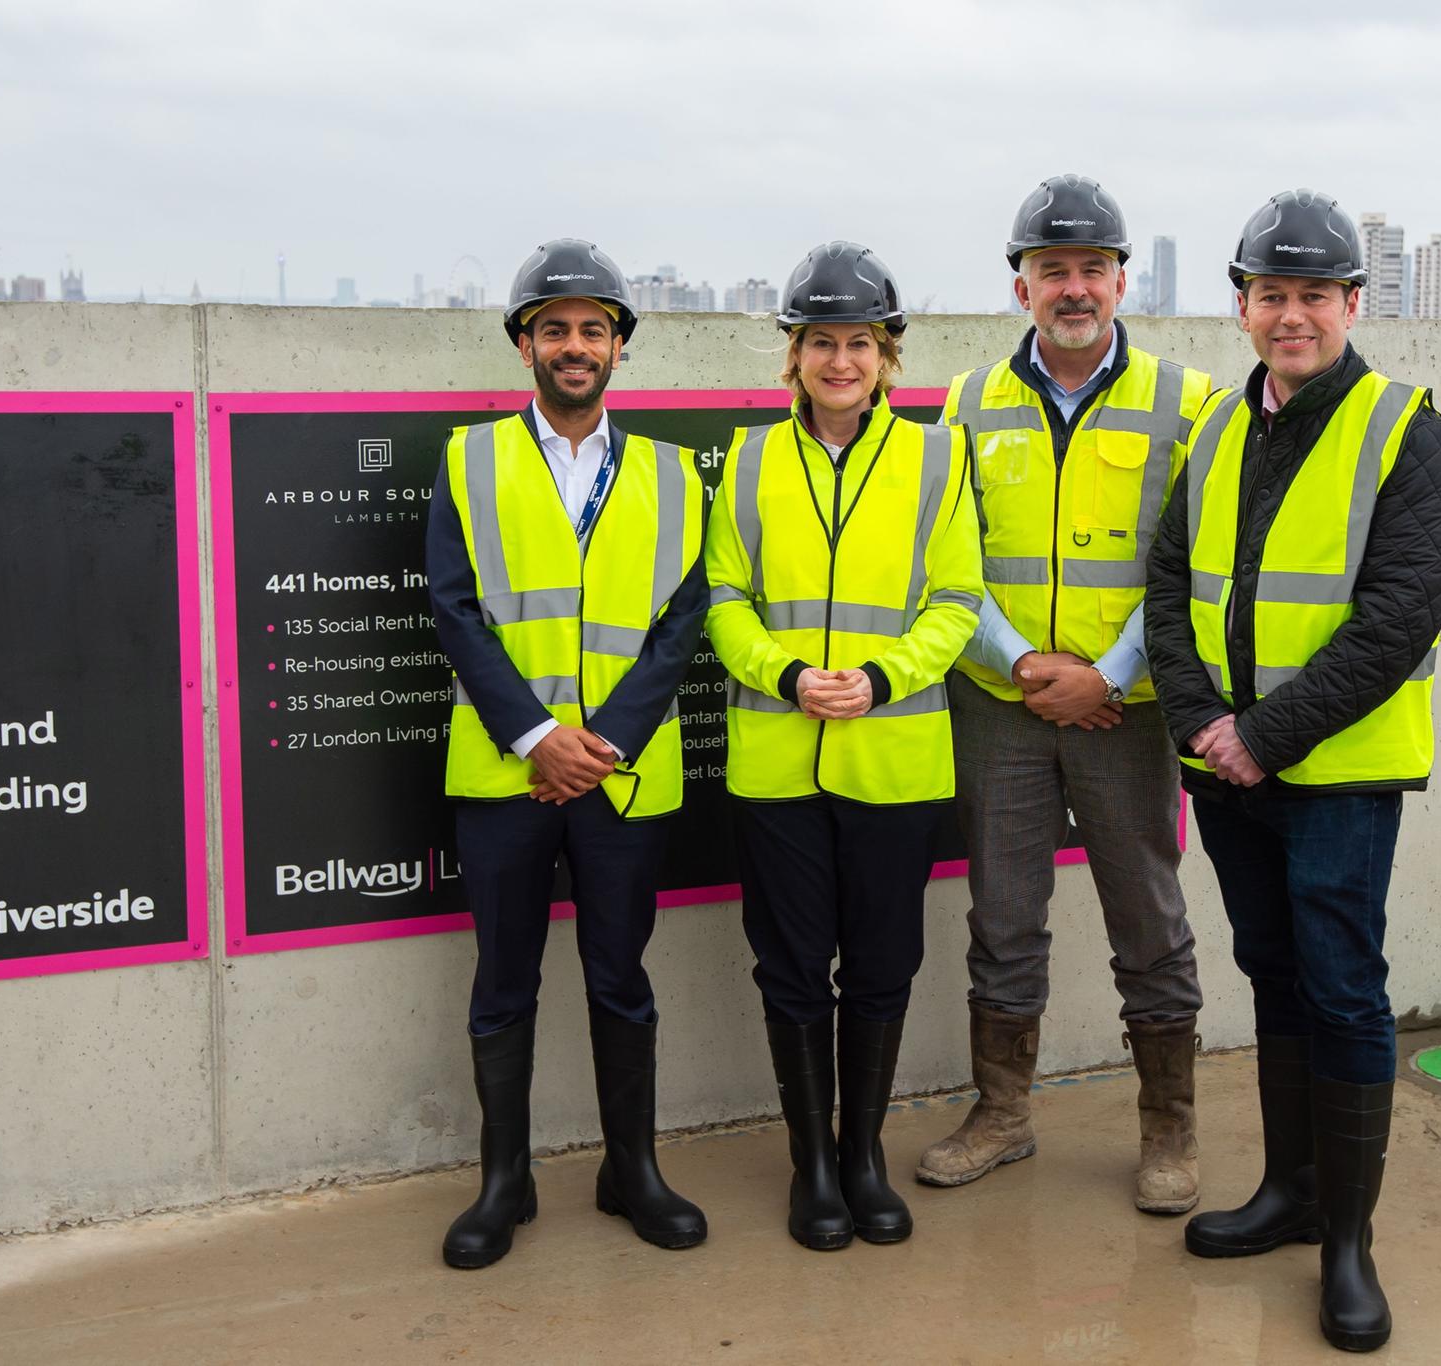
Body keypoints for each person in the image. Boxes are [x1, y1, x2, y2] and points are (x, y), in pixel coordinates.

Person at [1145, 188, 1441, 1352]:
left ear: (1349, 302)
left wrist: (1263, 734)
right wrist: (1199, 721)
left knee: (1340, 984)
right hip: (1228, 768)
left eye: (1311, 297)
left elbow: (1395, 617)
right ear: (1240, 307)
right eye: (1268, 295)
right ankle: (1288, 1191)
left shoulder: (1405, 429)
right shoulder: (1217, 430)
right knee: (1271, 971)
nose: (1291, 316)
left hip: (1333, 771)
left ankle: (1347, 1238)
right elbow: (1169, 592)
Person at [917, 175, 1214, 1216]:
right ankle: (1000, 1114)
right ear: (1019, 288)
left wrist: (1108, 675)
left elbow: (1187, 565)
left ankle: (1168, 1130)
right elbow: (944, 556)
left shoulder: (1188, 402)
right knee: (1002, 915)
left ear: (1122, 280)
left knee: (1148, 919)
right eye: (1052, 271)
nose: (1073, 288)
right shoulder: (962, 405)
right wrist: (1020, 670)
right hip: (1000, 706)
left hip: (1124, 714)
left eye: (1092, 269)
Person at [426, 238, 710, 1269]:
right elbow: (454, 612)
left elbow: (683, 622)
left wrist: (607, 742)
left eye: (594, 328)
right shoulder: (468, 459)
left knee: (616, 975)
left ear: (620, 347)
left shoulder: (677, 476)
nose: (574, 345)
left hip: (622, 781)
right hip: (505, 773)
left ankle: (628, 1168)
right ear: (524, 345)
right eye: (554, 328)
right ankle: (506, 1181)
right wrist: (539, 737)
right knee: (501, 980)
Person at [704, 241, 982, 1250]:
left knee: (879, 962)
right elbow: (722, 598)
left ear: (886, 355)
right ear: (793, 355)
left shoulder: (935, 459)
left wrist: (880, 678)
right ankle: (809, 1165)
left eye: (857, 342)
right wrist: (782, 673)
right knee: (788, 966)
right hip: (776, 763)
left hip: (891, 762)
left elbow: (956, 601)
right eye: (819, 342)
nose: (838, 361)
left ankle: (861, 1152)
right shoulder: (746, 462)